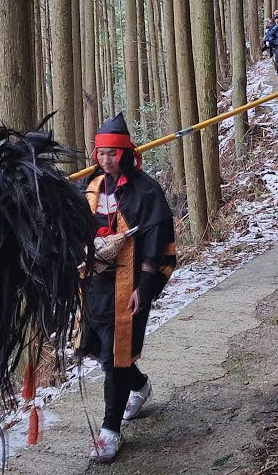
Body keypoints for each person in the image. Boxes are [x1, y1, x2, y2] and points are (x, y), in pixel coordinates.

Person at [79, 113, 177, 463]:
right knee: (100, 350)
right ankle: (139, 385)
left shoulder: (146, 191)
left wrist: (145, 287)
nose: (106, 160)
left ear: (125, 154)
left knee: (115, 358)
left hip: (129, 285)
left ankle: (110, 431)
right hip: (95, 285)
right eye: (101, 153)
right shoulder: (89, 186)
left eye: (112, 153)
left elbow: (156, 240)